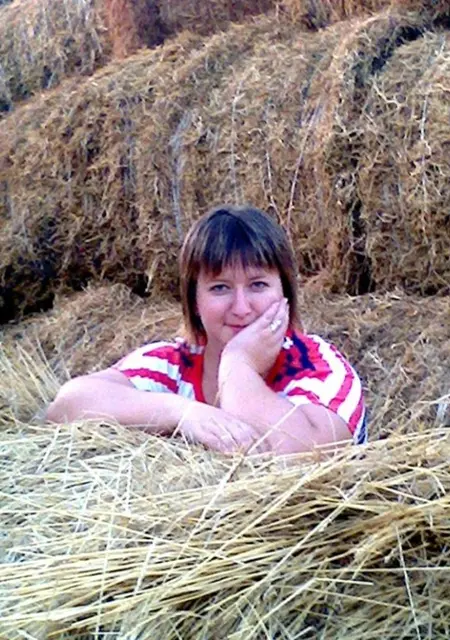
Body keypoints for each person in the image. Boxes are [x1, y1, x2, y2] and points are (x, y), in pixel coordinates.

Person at [46, 205, 367, 455]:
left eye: (258, 285)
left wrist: (238, 365)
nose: (241, 308)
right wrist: (182, 413)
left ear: (284, 293)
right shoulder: (171, 364)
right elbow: (67, 406)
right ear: (194, 301)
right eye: (220, 288)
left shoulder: (317, 366)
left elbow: (309, 455)